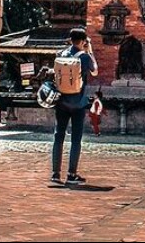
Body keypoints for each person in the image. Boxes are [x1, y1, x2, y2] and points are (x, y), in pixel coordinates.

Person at [51, 28, 98, 186]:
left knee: (59, 136)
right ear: (83, 41)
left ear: (70, 39)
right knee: (76, 139)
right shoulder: (84, 57)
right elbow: (95, 71)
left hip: (61, 101)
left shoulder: (61, 54)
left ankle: (56, 174)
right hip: (78, 102)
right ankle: (72, 174)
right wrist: (90, 51)